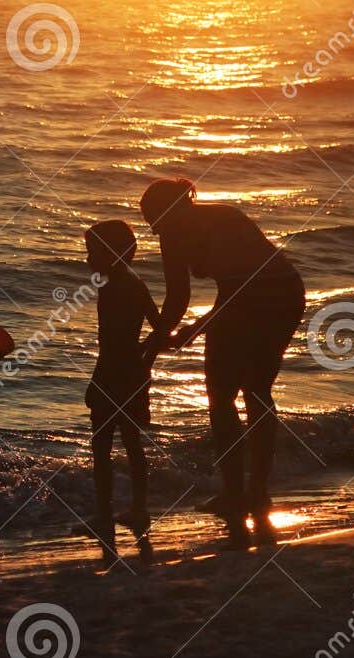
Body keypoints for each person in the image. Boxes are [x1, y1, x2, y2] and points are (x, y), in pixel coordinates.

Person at [141, 177, 305, 546]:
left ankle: (244, 492)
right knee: (248, 392)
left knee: (230, 393)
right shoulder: (213, 216)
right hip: (280, 291)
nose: (153, 229)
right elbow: (212, 293)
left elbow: (203, 295)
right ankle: (249, 492)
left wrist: (160, 342)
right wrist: (178, 334)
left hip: (270, 297)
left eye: (152, 218)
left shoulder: (182, 228)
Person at [83, 220, 163, 565]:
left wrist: (97, 381)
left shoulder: (115, 286)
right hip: (132, 373)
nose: (88, 259)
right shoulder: (134, 282)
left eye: (93, 251)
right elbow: (159, 328)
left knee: (101, 444)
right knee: (132, 441)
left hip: (114, 373)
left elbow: (112, 345)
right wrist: (145, 361)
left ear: (111, 253)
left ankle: (104, 514)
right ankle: (139, 509)